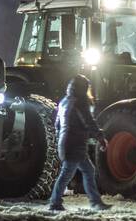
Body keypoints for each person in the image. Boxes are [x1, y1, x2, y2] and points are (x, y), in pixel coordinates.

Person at [47, 74, 111, 213]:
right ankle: (55, 203)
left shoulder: (65, 101)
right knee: (66, 174)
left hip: (67, 142)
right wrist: (100, 137)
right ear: (83, 88)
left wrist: (61, 139)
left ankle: (95, 202)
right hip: (75, 144)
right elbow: (88, 121)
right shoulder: (80, 101)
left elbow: (57, 124)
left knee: (88, 170)